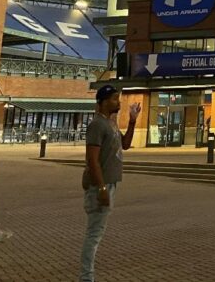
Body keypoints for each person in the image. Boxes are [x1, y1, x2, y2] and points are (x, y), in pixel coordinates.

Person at [81, 85, 141, 282]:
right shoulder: (97, 125)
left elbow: (125, 144)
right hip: (101, 185)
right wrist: (101, 188)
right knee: (94, 234)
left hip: (110, 184)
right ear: (103, 101)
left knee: (97, 232)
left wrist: (132, 121)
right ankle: (86, 277)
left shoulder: (111, 123)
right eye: (115, 99)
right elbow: (92, 159)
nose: (119, 102)